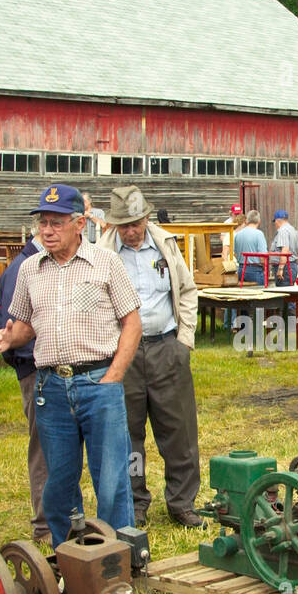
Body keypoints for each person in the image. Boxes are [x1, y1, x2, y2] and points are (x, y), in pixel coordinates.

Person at [0, 183, 142, 543]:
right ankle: (71, 557)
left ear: (79, 224)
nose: (47, 230)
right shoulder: (30, 269)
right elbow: (26, 327)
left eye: (56, 223)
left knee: (111, 481)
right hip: (51, 389)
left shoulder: (105, 263)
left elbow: (132, 323)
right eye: (43, 223)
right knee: (58, 482)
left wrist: (113, 376)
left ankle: (119, 558)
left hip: (98, 383)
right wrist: (8, 338)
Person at [97, 185, 203, 529]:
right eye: (123, 225)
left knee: (179, 431)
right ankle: (135, 501)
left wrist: (183, 340)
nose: (130, 231)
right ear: (113, 225)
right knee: (128, 436)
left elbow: (187, 291)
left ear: (146, 217)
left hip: (166, 348)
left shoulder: (166, 245)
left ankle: (182, 502)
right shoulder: (101, 254)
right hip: (122, 356)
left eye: (135, 223)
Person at [0, 229, 50, 542]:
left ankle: (63, 516)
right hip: (36, 371)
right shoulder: (21, 269)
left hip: (55, 369)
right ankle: (43, 526)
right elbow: (10, 328)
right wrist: (29, 366)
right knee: (43, 448)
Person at [234, 210, 268, 286]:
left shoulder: (238, 234)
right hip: (255, 270)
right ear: (259, 221)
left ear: (247, 220)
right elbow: (263, 256)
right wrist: (265, 269)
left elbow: (235, 253)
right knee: (259, 294)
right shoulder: (259, 234)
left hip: (241, 269)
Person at [271, 209, 298, 285]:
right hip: (292, 266)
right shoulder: (293, 230)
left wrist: (280, 269)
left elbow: (285, 250)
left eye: (275, 222)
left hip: (285, 268)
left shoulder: (282, 231)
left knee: (282, 293)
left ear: (277, 220)